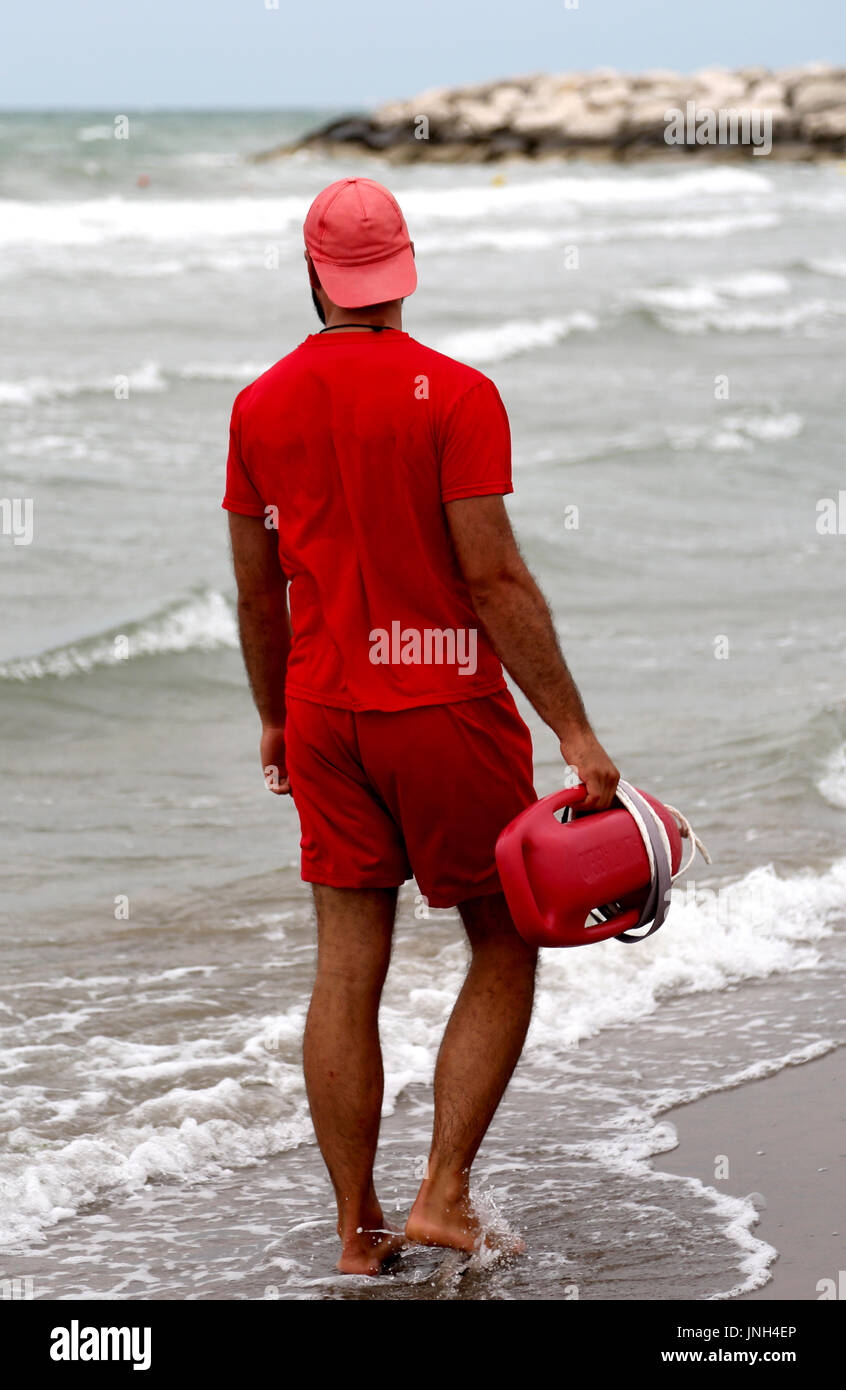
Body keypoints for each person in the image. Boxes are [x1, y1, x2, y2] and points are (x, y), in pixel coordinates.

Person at [223, 177, 619, 1276]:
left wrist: (271, 716)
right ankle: (441, 1192)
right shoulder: (455, 394)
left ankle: (358, 1232)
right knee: (503, 937)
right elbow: (492, 577)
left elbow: (258, 594)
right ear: (404, 271)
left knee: (347, 963)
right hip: (445, 706)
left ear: (313, 275)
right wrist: (575, 732)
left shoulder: (257, 406)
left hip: (324, 712)